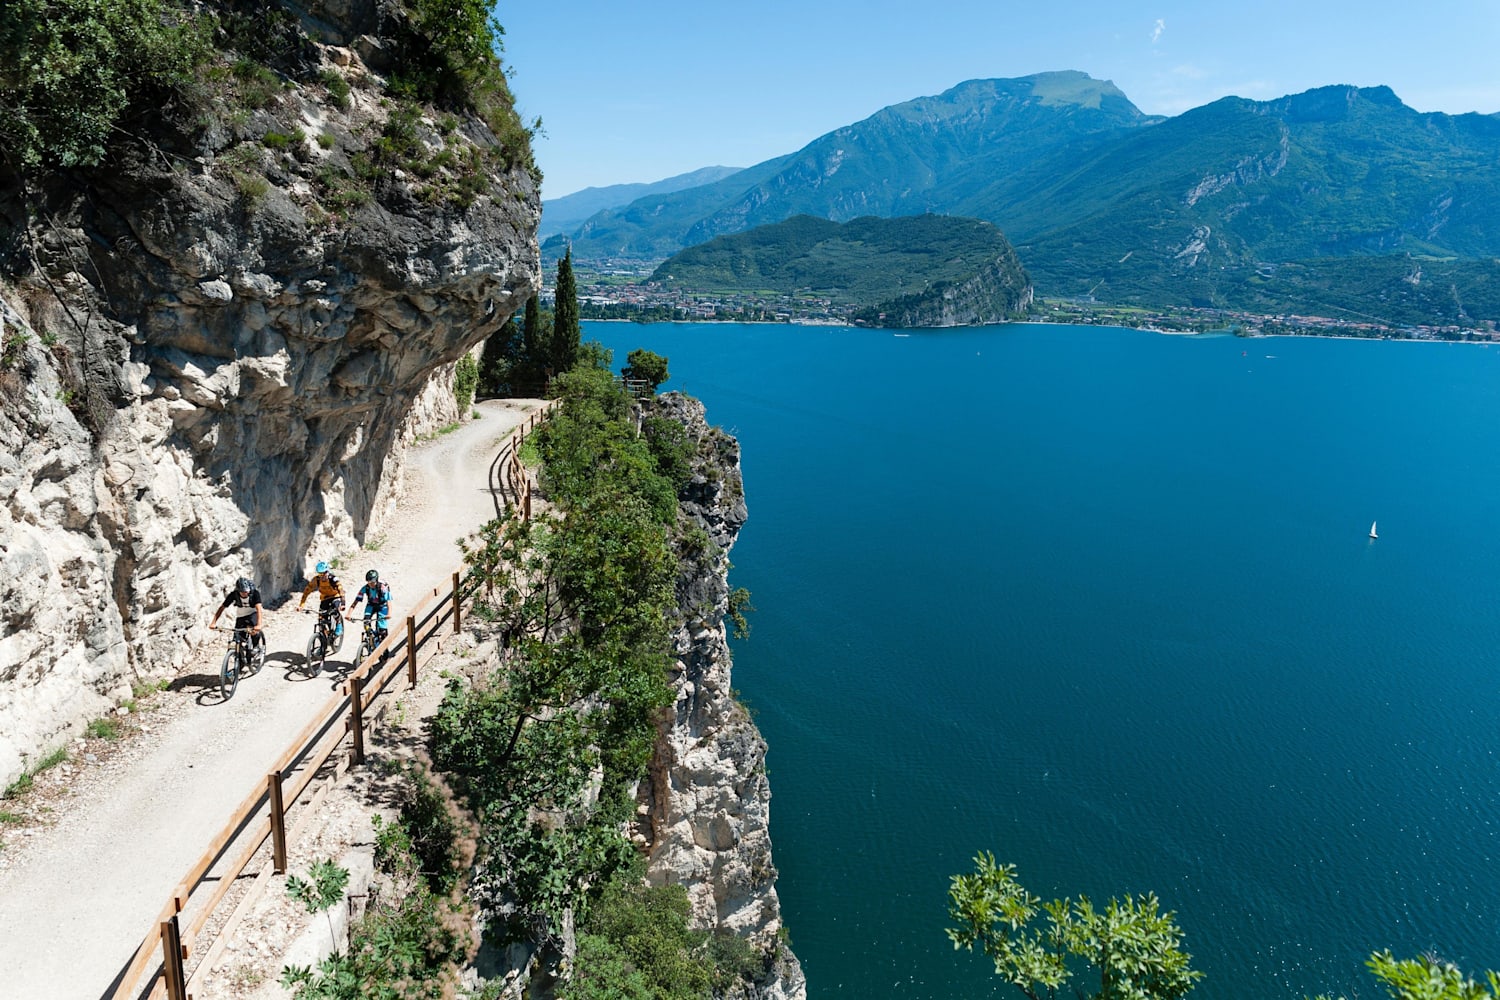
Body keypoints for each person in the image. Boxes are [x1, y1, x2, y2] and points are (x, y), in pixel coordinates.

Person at [210, 576, 266, 657]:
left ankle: (256, 646)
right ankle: (239, 657)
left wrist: (259, 624)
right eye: (242, 592)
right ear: (238, 590)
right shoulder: (233, 595)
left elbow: (259, 609)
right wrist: (213, 622)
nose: (245, 593)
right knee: (237, 637)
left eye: (246, 591)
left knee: (253, 630)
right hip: (241, 616)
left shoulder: (255, 593)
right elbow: (222, 608)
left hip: (253, 614)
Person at [298, 561, 346, 643]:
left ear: (328, 571)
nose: (322, 576)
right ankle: (325, 638)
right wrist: (301, 605)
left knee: (335, 609)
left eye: (324, 573)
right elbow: (306, 591)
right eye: (320, 574)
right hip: (325, 598)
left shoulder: (333, 579)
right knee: (321, 619)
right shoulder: (316, 580)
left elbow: (341, 590)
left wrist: (343, 604)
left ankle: (339, 624)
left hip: (335, 596)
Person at [348, 569, 392, 642]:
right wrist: (349, 614)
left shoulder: (382, 588)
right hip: (371, 605)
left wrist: (389, 614)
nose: (371, 584)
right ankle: (371, 640)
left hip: (382, 606)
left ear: (376, 580)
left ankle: (385, 648)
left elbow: (388, 602)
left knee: (382, 628)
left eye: (373, 582)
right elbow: (355, 602)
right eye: (369, 582)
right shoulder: (365, 588)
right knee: (366, 623)